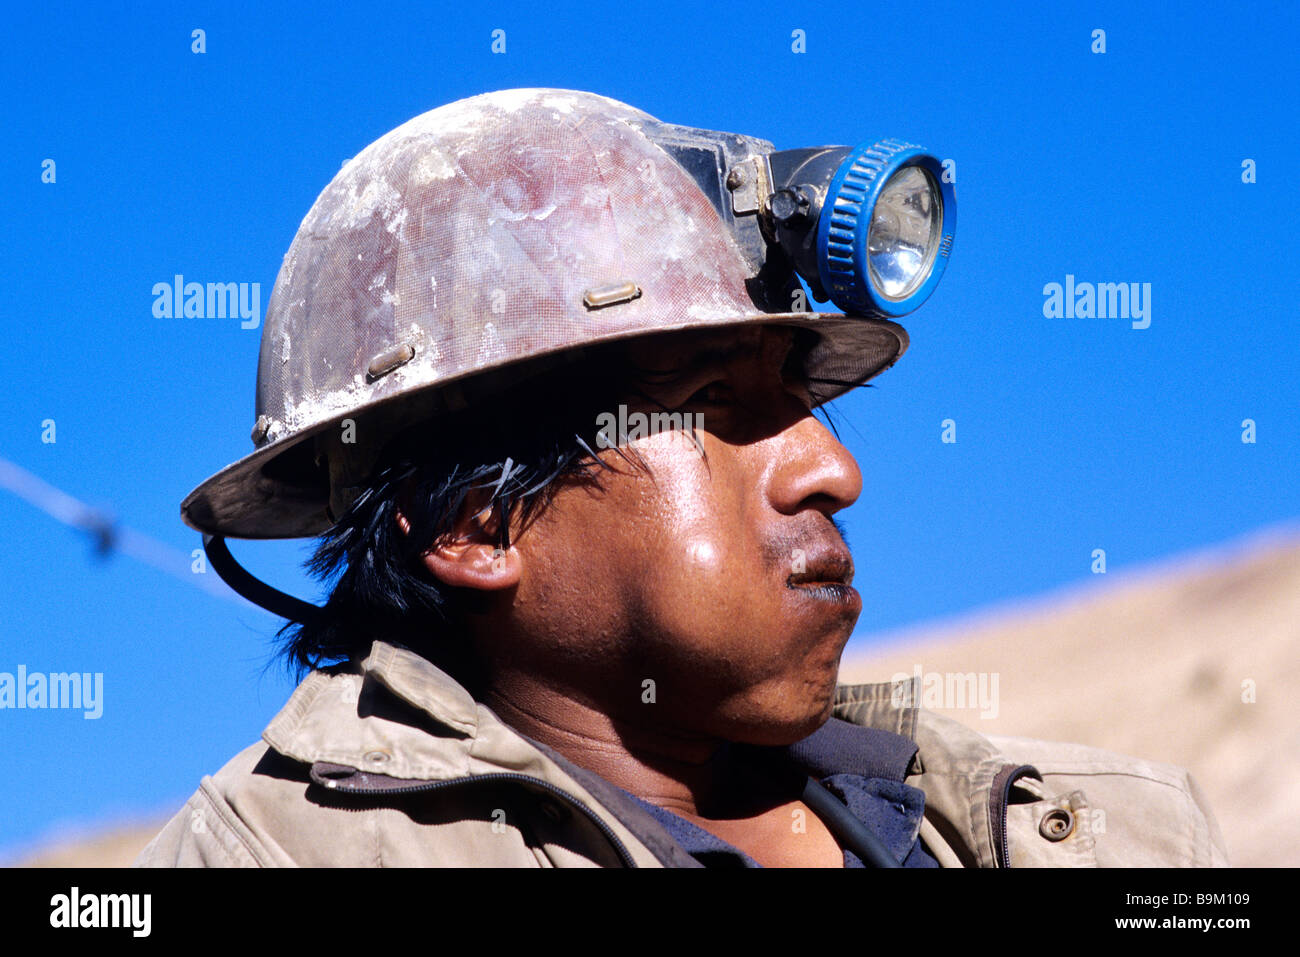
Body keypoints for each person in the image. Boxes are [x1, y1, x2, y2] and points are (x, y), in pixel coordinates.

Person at [135, 88, 1229, 868]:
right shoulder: (267, 859)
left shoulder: (1108, 833)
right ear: (473, 525)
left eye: (805, 403)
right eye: (712, 405)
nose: (831, 470)